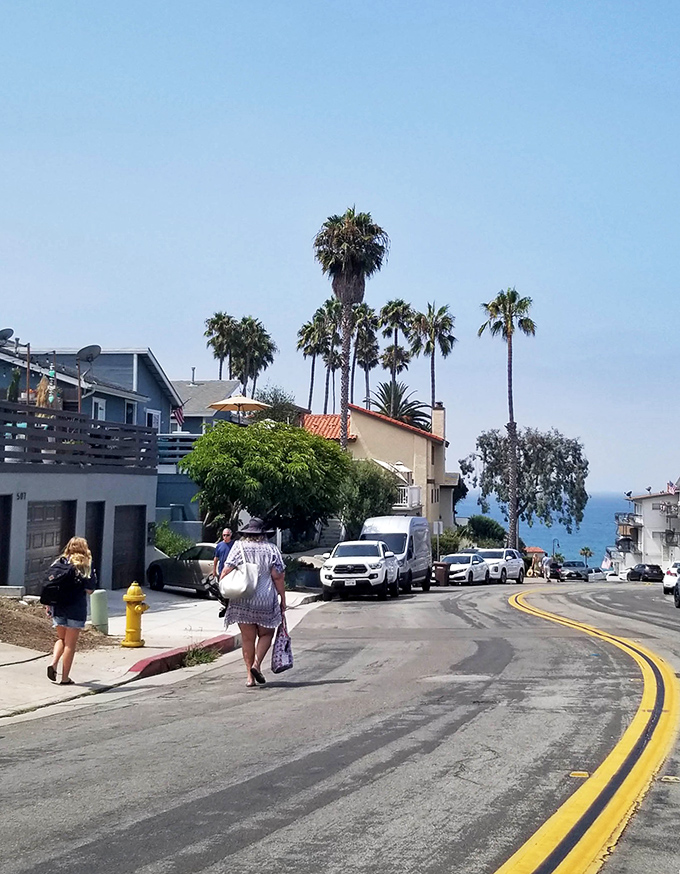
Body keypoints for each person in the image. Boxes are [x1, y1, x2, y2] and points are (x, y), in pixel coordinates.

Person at [220, 518, 286, 688]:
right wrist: (283, 599)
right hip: (265, 598)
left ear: (247, 533)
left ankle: (250, 677)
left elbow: (226, 570)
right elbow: (277, 576)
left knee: (248, 639)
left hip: (243, 598)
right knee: (266, 634)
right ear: (263, 534)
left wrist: (224, 590)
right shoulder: (271, 549)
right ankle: (257, 665)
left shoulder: (238, 547)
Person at [46, 536, 98, 685]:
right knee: (70, 644)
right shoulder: (85, 564)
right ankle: (65, 678)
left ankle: (53, 663)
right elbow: (90, 590)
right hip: (76, 608)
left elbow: (50, 585)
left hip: (58, 607)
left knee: (61, 639)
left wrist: (48, 604)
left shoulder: (59, 562)